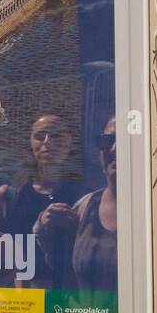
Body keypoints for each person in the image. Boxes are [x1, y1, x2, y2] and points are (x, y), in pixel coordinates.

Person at [0, 113, 87, 288]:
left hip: (70, 296)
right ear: (30, 143)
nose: (47, 142)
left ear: (70, 142)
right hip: (22, 296)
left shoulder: (85, 197)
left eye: (56, 135)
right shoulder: (8, 196)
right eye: (40, 136)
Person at [55, 116, 119, 290]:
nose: (114, 148)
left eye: (126, 141)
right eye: (107, 140)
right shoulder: (84, 208)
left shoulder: (152, 211)